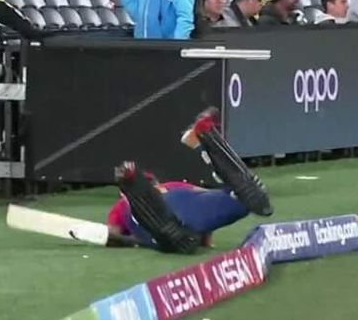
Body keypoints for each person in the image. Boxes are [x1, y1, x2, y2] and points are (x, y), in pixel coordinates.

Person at [105, 108, 273, 253]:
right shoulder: (171, 186)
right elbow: (205, 197)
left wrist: (132, 241)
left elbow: (111, 235)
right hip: (184, 201)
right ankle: (206, 138)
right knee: (247, 200)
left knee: (175, 239)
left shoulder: (120, 208)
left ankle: (135, 188)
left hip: (151, 214)